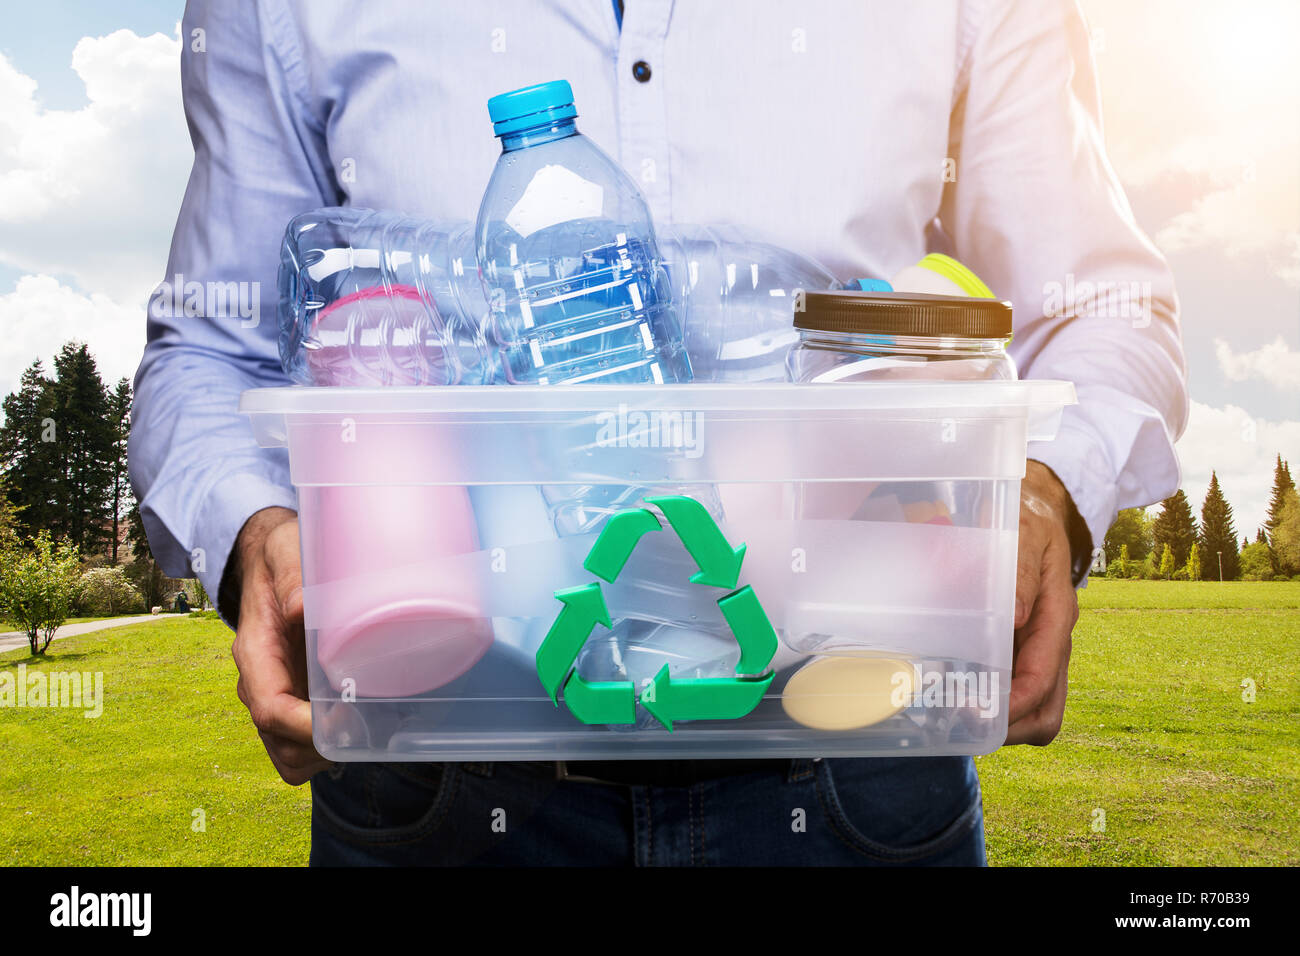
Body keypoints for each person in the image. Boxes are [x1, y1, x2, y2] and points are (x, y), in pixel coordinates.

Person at [129, 0, 1188, 866]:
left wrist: (1050, 497)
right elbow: (207, 350)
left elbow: (1098, 305)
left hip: (854, 754)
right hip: (444, 758)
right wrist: (253, 534)